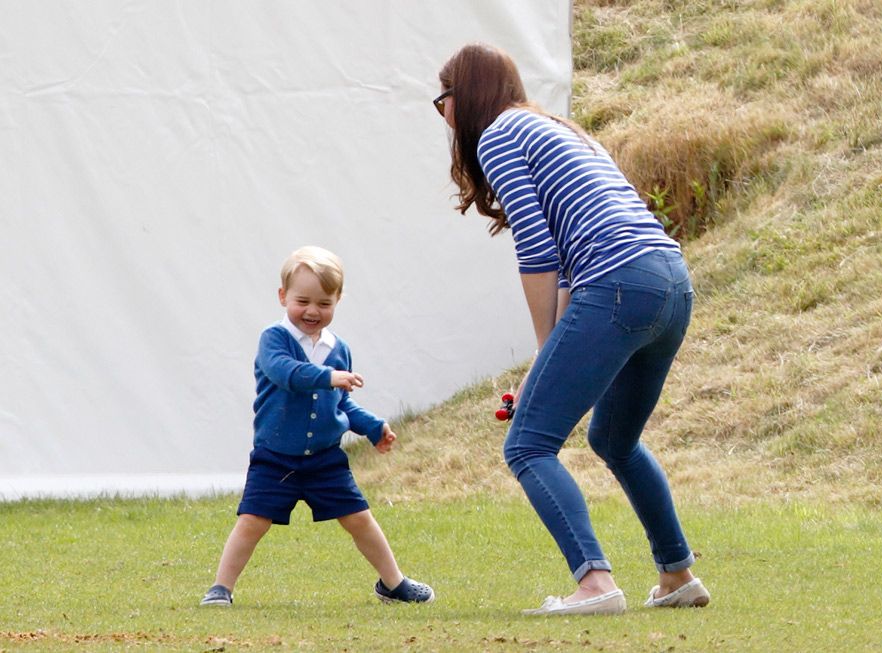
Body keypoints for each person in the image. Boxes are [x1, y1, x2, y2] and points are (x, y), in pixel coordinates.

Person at [434, 43, 709, 616]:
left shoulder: (499, 136)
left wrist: (545, 346)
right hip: (669, 283)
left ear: (468, 94)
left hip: (616, 284)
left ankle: (594, 584)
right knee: (614, 439)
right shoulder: (560, 128)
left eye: (444, 100)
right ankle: (678, 574)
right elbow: (568, 255)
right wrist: (551, 350)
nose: (445, 114)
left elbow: (539, 251)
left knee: (529, 445)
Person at [200, 246, 434, 607]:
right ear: (283, 297)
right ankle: (221, 588)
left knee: (359, 518)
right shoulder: (273, 340)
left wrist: (372, 427)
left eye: (324, 303)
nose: (312, 311)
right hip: (276, 457)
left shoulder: (338, 349)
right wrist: (330, 376)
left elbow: (340, 403)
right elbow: (287, 374)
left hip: (325, 459)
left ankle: (393, 583)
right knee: (252, 521)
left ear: (338, 300)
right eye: (302, 301)